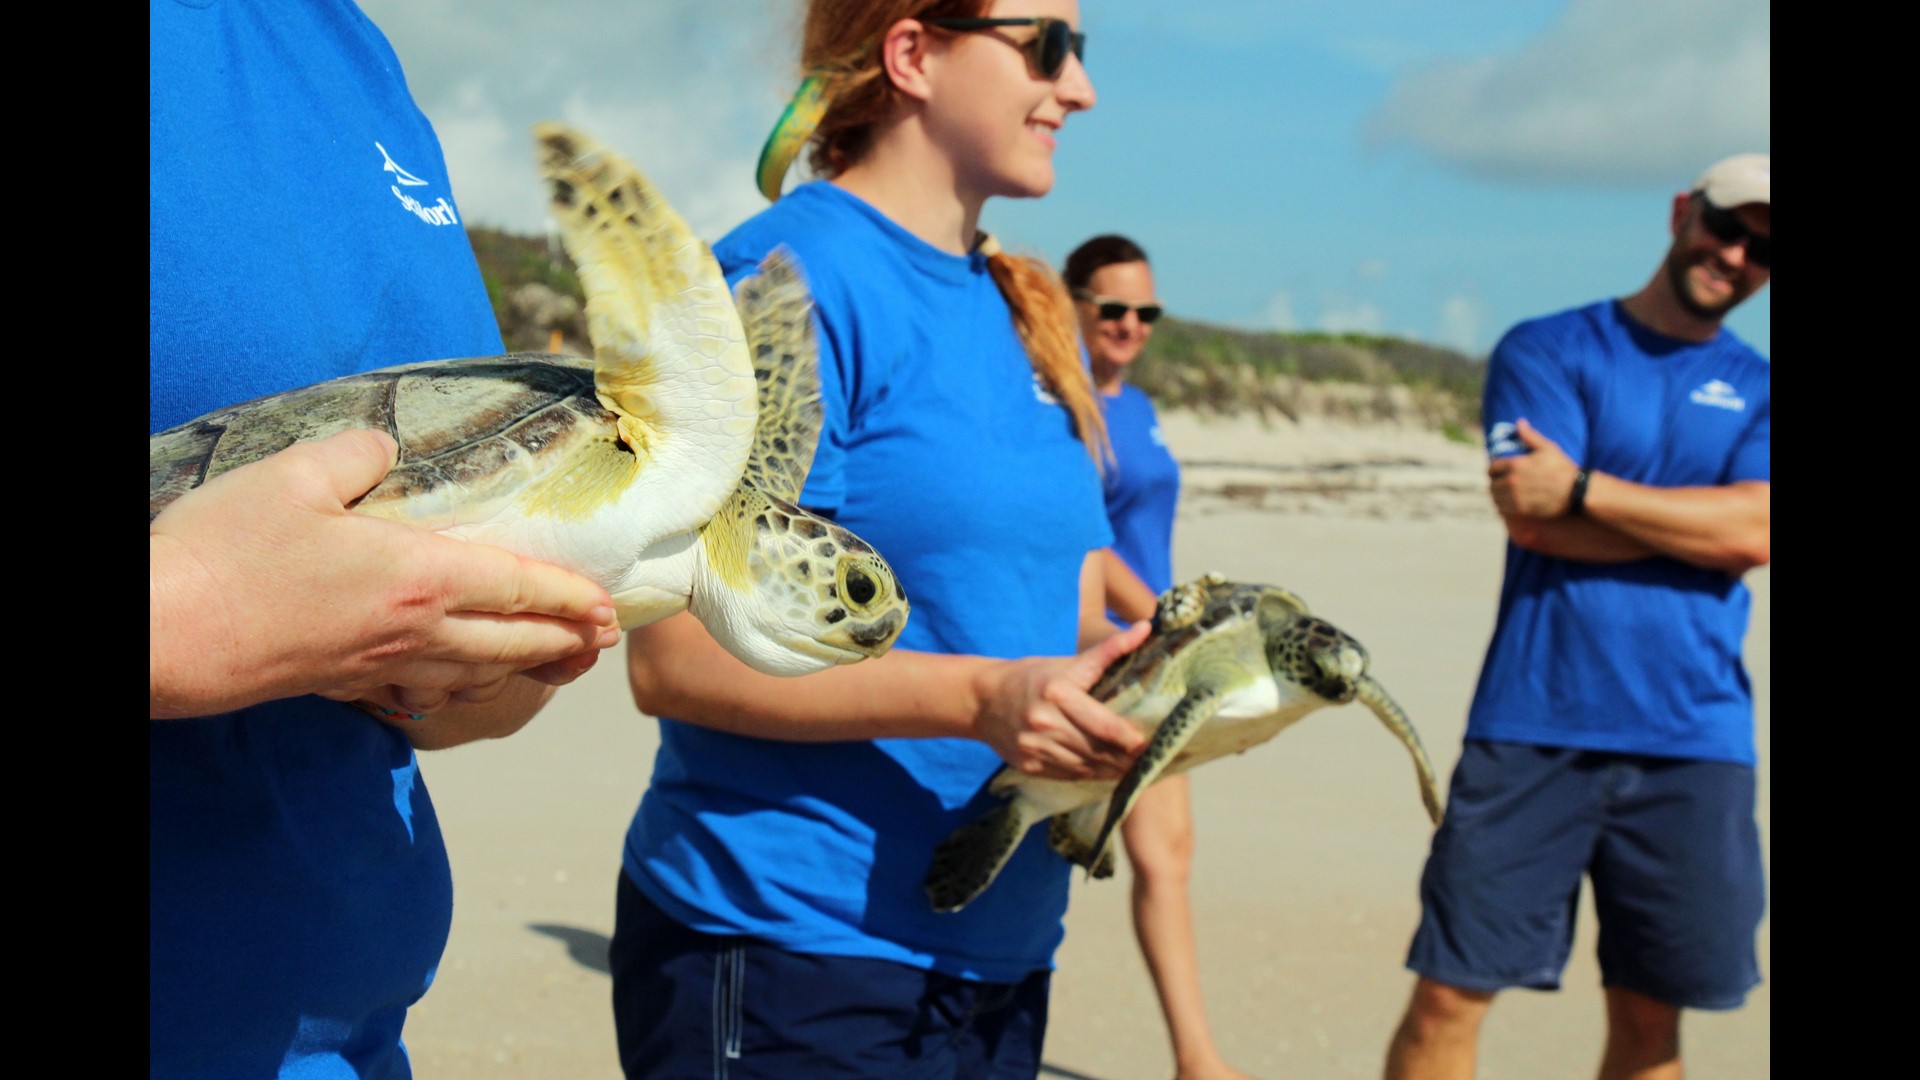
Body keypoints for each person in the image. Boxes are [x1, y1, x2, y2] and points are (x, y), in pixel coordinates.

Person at [609, 3, 1159, 1076]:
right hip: (790, 953)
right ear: (914, 54)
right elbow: (675, 656)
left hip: (999, 958)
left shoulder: (1022, 308)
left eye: (1081, 53)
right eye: (1046, 45)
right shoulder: (785, 286)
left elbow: (1048, 608)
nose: (1079, 88)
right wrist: (981, 700)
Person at [150, 2, 619, 1074]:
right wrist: (191, 615)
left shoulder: (353, 53)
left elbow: (410, 656)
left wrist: (475, 657)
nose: (1086, 89)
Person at [1382, 154, 1771, 1080]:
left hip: (1695, 740)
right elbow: (1532, 517)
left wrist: (1589, 490)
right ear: (1683, 211)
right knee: (1448, 994)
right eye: (1726, 225)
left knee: (1651, 1020)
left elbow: (1754, 532)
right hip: (1533, 723)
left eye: (1764, 248)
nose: (1737, 254)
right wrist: (1695, 525)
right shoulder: (1549, 349)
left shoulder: (1759, 384)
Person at [1063, 235, 1252, 1080]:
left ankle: (1196, 1058)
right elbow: (1081, 545)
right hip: (1097, 650)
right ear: (1072, 302)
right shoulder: (1060, 406)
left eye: (1147, 313)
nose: (1131, 325)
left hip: (1158, 644)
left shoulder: (1135, 406)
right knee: (1040, 840)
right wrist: (1176, 629)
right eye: (1114, 309)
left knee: (1166, 852)